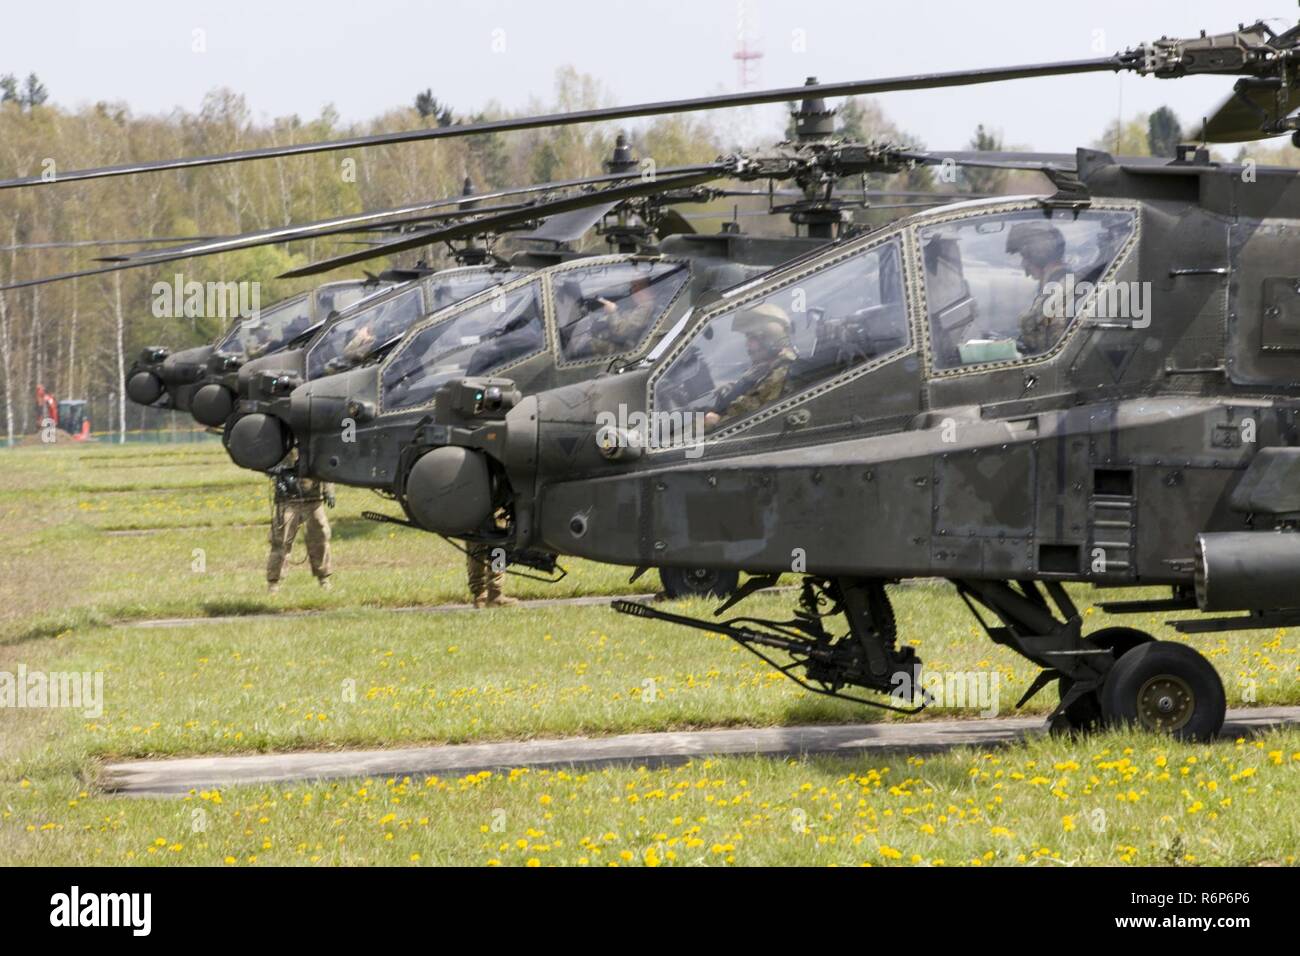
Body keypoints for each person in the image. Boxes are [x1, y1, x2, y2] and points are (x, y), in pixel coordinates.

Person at [703, 302, 797, 430]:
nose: (747, 345)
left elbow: (752, 413)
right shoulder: (763, 370)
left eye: (751, 338)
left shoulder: (781, 373)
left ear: (769, 340)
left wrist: (716, 421)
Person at [267, 451, 335, 593]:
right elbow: (266, 460)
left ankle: (324, 578)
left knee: (320, 538)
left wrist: (329, 490)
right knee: (280, 540)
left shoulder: (315, 437)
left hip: (313, 498)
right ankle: (274, 582)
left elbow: (326, 462)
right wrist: (275, 471)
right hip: (287, 499)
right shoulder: (281, 436)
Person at [1006, 222, 1071, 355]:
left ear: (1037, 256)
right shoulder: (1053, 287)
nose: (1023, 264)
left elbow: (1053, 349)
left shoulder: (1060, 294)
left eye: (1024, 257)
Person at [586, 276, 658, 357]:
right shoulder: (640, 306)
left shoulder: (647, 307)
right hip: (627, 344)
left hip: (628, 351)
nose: (633, 291)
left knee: (589, 345)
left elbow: (620, 330)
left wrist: (612, 312)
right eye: (632, 287)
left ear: (649, 290)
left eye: (636, 286)